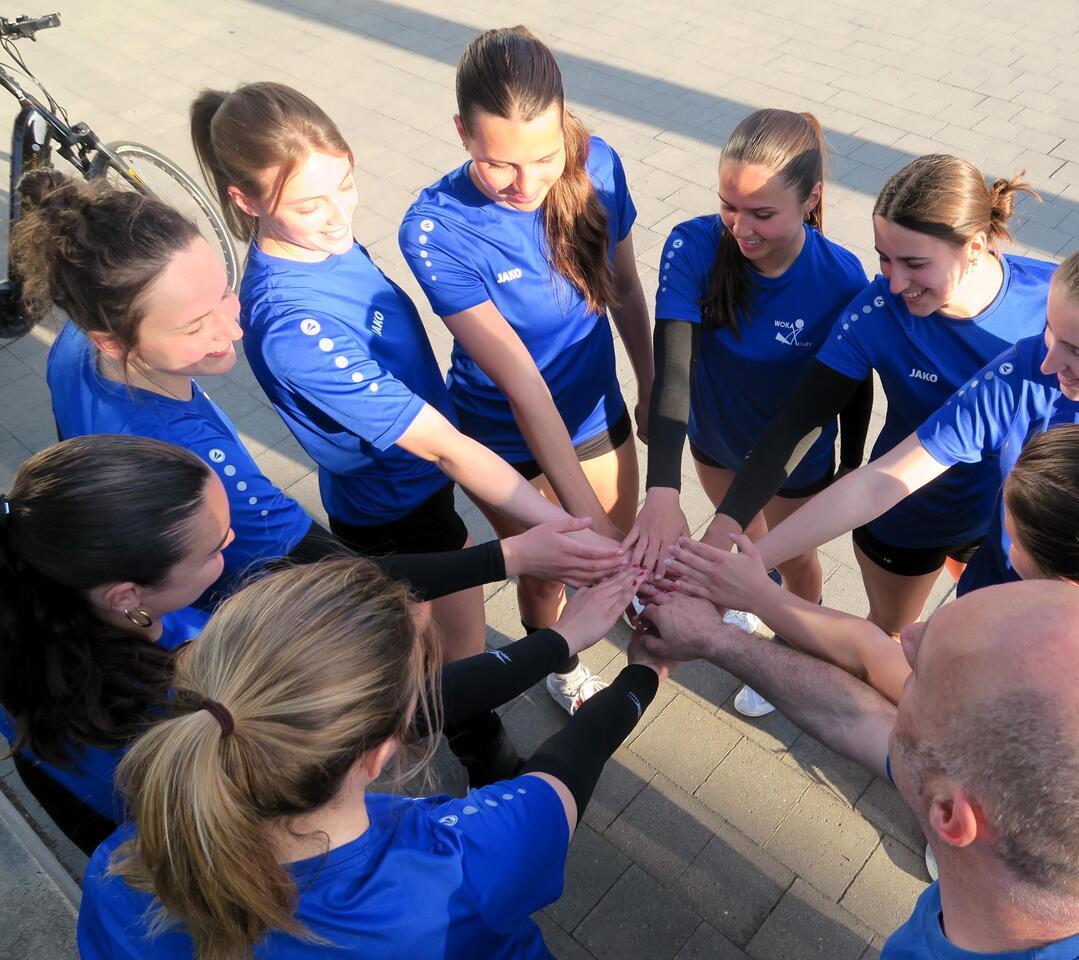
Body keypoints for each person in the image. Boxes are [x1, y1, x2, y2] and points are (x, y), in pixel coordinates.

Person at [666, 422, 1079, 958]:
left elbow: (873, 689)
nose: (911, 637)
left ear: (1070, 595)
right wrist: (727, 632)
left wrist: (748, 608)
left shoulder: (1042, 713)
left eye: (1012, 551)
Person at [0, 435, 633, 854]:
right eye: (214, 548)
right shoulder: (183, 707)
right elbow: (402, 707)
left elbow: (329, 586)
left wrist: (511, 554)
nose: (231, 553)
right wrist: (564, 639)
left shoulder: (49, 596)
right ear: (124, 594)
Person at [190, 81, 626, 663]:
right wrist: (578, 532)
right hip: (396, 514)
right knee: (448, 665)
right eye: (308, 205)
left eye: (344, 185)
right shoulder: (295, 326)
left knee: (452, 651)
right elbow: (447, 448)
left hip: (421, 491)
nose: (338, 215)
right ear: (246, 201)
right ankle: (471, 749)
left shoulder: (321, 247)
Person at [77, 557, 667, 959]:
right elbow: (569, 764)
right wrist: (648, 667)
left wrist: (561, 640)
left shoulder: (121, 863)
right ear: (388, 747)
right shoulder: (460, 863)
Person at [635, 579, 1079, 958]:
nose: (905, 637)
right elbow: (852, 718)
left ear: (951, 816)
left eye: (921, 677)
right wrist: (716, 640)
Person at [748, 231, 1079, 600]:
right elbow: (885, 480)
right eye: (1052, 331)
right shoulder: (1030, 367)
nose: (1051, 361)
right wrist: (752, 562)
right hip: (999, 597)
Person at [401, 26, 654, 705]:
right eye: (499, 164)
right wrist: (592, 533)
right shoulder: (434, 230)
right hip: (503, 434)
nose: (527, 184)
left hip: (593, 407)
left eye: (544, 158)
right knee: (552, 572)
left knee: (612, 543)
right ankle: (561, 665)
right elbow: (520, 382)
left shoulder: (599, 164)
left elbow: (625, 285)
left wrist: (652, 381)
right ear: (461, 132)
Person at [696, 154, 1049, 637]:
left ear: (974, 247)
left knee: (990, 642)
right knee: (892, 637)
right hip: (908, 511)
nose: (894, 282)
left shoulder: (1055, 304)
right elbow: (798, 423)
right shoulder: (876, 311)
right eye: (884, 257)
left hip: (1012, 521)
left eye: (915, 263)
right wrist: (728, 531)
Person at [19, 173, 317, 604]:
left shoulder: (74, 345)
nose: (232, 328)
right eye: (195, 325)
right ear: (113, 340)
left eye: (223, 293)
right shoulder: (192, 462)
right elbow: (318, 567)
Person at [625, 108, 871, 605]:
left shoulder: (842, 279)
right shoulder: (692, 246)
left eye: (762, 214)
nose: (741, 228)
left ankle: (792, 632)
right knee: (749, 542)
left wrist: (850, 462)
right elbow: (673, 367)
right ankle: (756, 606)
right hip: (717, 439)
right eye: (729, 206)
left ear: (812, 199)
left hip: (796, 461)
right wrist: (662, 489)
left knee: (793, 560)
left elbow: (853, 385)